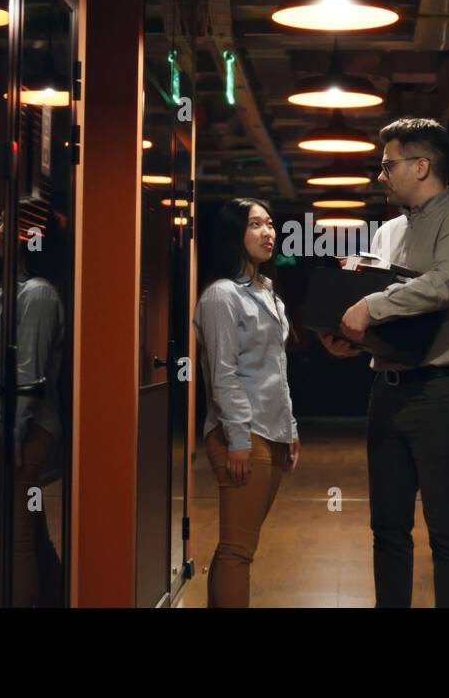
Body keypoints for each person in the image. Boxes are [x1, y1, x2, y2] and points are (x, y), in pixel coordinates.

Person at [321, 117, 449, 608]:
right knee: (388, 528)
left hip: (443, 391)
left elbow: (444, 285)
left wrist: (370, 309)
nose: (381, 176)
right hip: (387, 390)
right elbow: (375, 302)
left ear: (422, 166)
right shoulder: (388, 232)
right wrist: (352, 340)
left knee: (446, 530)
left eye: (388, 164)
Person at [193, 198, 300, 608]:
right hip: (243, 433)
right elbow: (224, 374)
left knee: (241, 547)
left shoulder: (269, 293)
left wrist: (290, 431)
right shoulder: (221, 296)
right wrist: (237, 438)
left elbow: (278, 370)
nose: (268, 232)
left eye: (270, 224)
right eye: (255, 224)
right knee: (238, 550)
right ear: (233, 234)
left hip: (271, 431)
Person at [0, 202, 65, 607]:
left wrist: (13, 435)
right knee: (29, 528)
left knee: (16, 541)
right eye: (0, 220)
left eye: (9, 223)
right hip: (2, 424)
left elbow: (29, 372)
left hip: (25, 430)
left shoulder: (39, 293)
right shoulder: (6, 291)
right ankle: (57, 596)